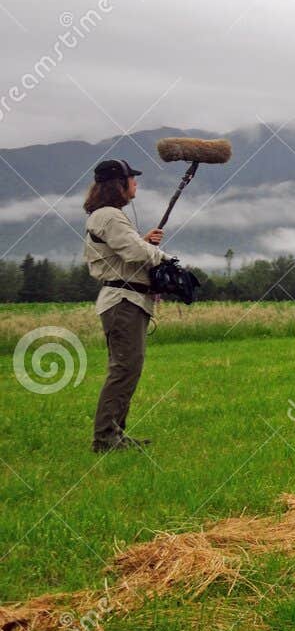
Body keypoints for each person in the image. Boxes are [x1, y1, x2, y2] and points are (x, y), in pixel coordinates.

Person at [82, 158, 169, 453]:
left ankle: (115, 434)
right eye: (132, 178)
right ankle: (105, 438)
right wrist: (166, 259)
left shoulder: (106, 215)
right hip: (123, 302)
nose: (136, 183)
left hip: (125, 301)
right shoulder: (110, 216)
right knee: (124, 369)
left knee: (128, 368)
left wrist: (144, 241)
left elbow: (123, 251)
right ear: (119, 184)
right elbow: (133, 252)